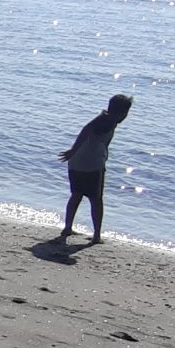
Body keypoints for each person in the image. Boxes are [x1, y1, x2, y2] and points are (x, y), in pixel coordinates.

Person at [57, 93, 133, 242]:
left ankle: (67, 227)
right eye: (125, 113)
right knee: (96, 200)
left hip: (77, 163)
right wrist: (73, 149)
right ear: (121, 113)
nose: (126, 116)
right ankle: (97, 235)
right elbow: (86, 130)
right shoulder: (106, 120)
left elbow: (99, 141)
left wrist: (74, 152)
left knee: (76, 195)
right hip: (91, 165)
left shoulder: (106, 118)